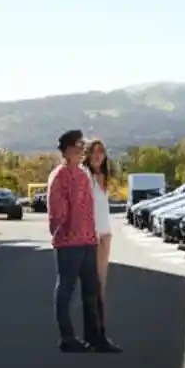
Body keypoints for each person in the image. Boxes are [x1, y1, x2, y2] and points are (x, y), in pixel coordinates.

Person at [48, 129, 121, 354]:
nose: (82, 150)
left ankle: (96, 337)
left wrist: (92, 234)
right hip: (68, 244)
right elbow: (57, 212)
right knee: (66, 289)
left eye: (82, 147)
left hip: (88, 241)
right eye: (79, 146)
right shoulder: (59, 176)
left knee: (92, 289)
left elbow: (89, 209)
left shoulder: (81, 175)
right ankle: (67, 338)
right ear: (68, 150)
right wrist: (63, 229)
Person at [83, 138, 115, 309]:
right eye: (94, 152)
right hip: (92, 235)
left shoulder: (103, 176)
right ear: (87, 155)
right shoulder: (85, 176)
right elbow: (84, 207)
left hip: (105, 233)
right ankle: (94, 325)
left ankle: (99, 324)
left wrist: (107, 232)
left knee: (102, 282)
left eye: (101, 151)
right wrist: (91, 231)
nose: (97, 156)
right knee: (93, 282)